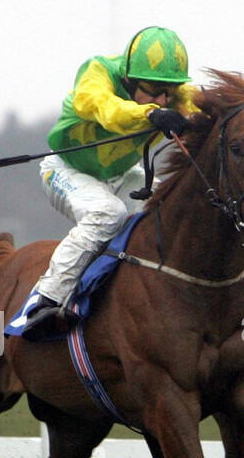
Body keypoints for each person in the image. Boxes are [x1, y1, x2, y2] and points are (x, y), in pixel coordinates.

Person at [20, 26, 199, 339]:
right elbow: (104, 108)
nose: (161, 99)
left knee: (171, 208)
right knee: (108, 212)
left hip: (122, 174)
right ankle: (45, 300)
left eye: (168, 92)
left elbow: (206, 109)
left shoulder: (170, 92)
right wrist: (151, 114)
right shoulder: (97, 73)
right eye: (153, 91)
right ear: (128, 80)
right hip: (66, 169)